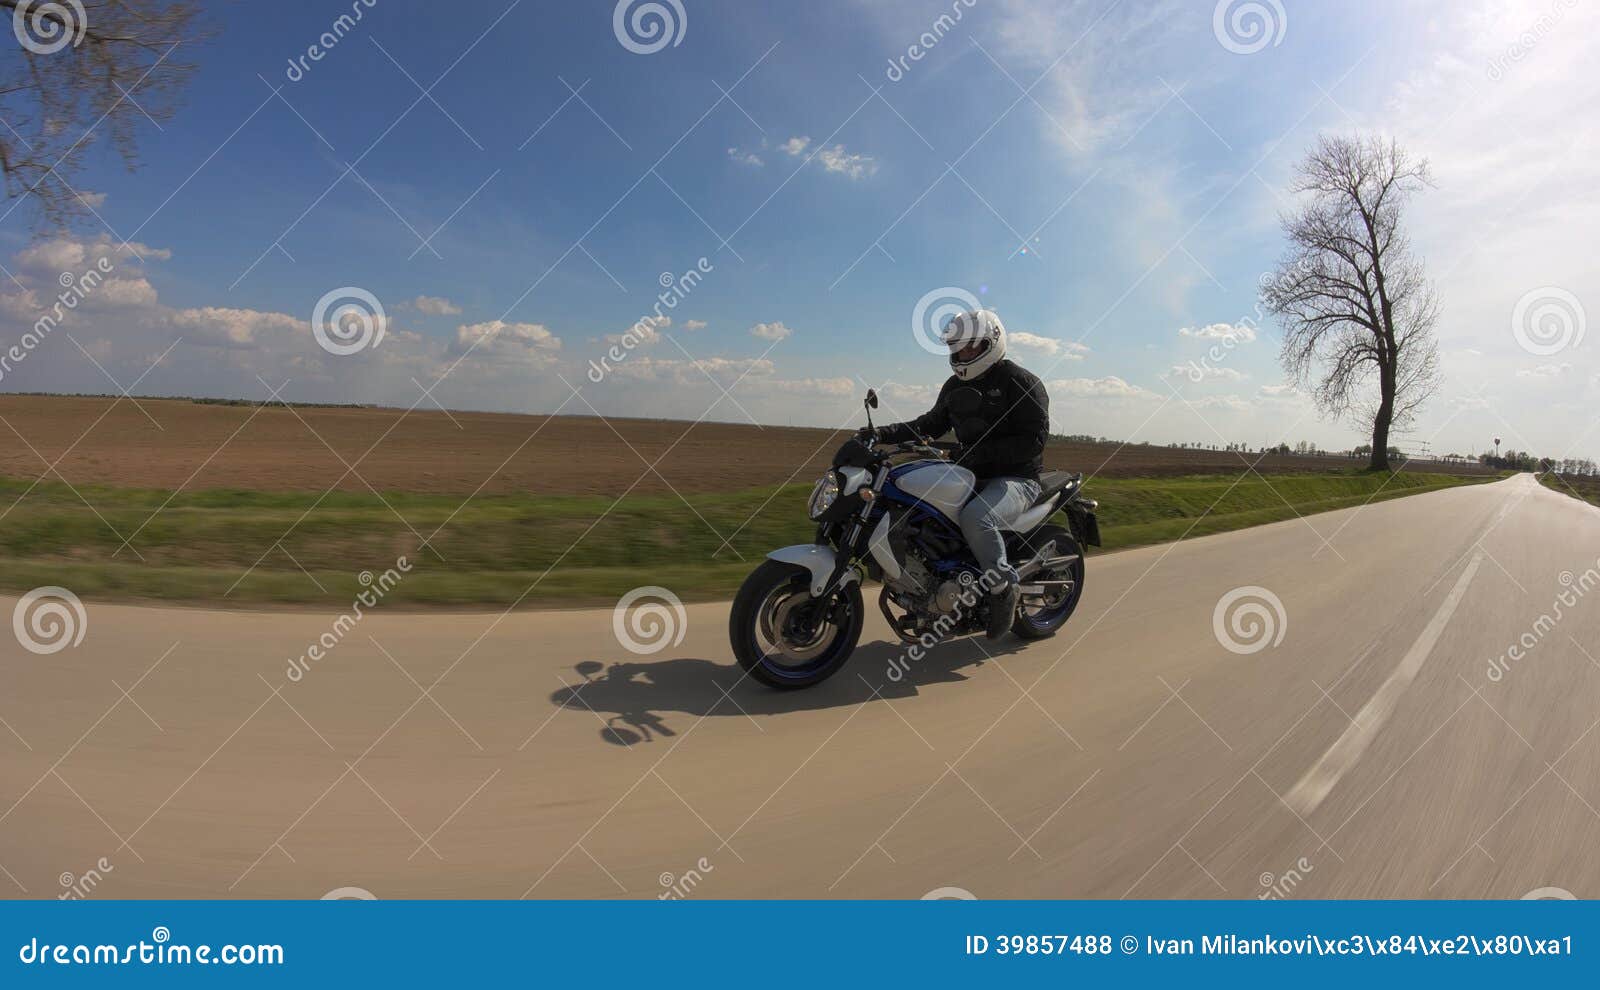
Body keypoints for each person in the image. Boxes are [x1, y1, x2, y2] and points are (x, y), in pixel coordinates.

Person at [873, 309, 1050, 638]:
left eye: (971, 346)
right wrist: (880, 434)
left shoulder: (1020, 382)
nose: (963, 353)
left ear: (992, 342)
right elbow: (929, 425)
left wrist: (979, 454)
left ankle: (1004, 589)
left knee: (976, 518)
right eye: (957, 347)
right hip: (969, 474)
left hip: (1016, 479)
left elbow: (1033, 442)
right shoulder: (954, 386)